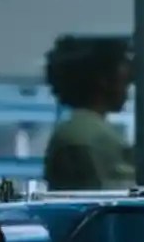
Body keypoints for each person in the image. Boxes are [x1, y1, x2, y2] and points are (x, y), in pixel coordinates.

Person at [42, 35, 137, 191]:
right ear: (103, 79)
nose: (129, 82)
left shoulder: (79, 130)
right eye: (125, 77)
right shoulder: (86, 136)